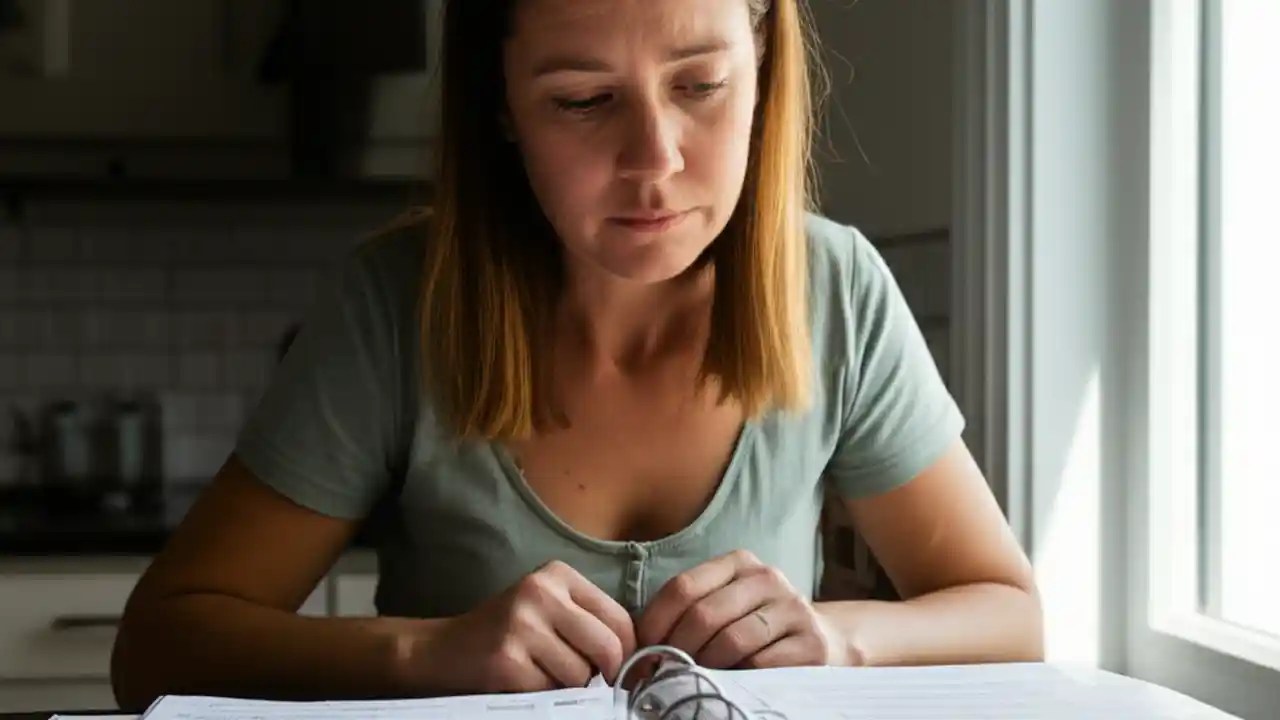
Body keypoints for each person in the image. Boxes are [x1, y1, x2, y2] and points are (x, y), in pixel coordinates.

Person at [110, 0, 1042, 710]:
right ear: (502, 106)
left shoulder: (835, 288)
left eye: (700, 85)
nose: (655, 160)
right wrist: (427, 654)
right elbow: (156, 647)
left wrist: (840, 643)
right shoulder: (397, 303)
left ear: (762, 64)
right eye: (583, 101)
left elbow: (1010, 616)